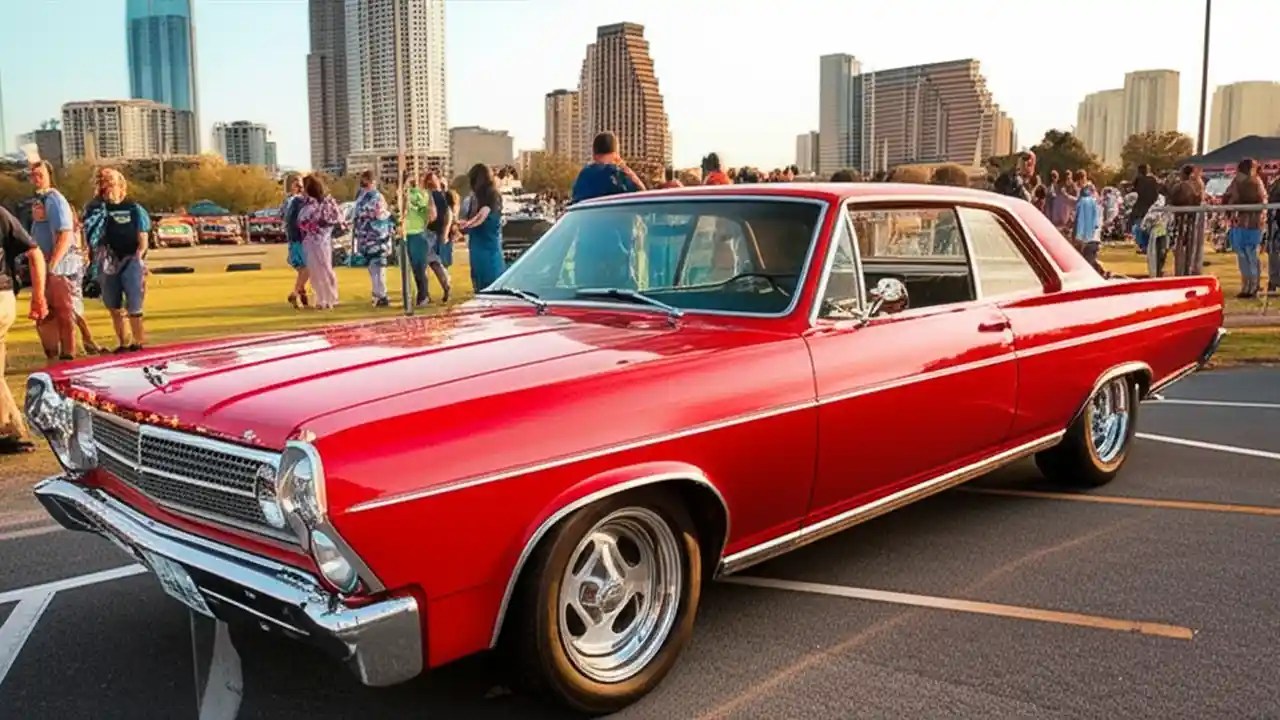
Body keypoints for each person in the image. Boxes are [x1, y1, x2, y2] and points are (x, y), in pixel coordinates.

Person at [0, 204, 48, 454]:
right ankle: (7, 431)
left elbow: (34, 252)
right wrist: (38, 296)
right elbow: (34, 252)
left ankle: (13, 431)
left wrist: (39, 296)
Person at [91, 169, 151, 351]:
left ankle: (138, 342)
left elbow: (143, 239)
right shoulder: (98, 211)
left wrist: (139, 259)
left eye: (112, 183)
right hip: (109, 261)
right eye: (104, 184)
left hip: (131, 259)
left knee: (134, 303)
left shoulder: (135, 209)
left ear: (121, 186)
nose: (108, 188)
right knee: (113, 304)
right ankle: (123, 343)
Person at [28, 160, 81, 362]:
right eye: (33, 175)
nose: (35, 178)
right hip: (43, 265)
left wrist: (52, 266)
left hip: (58, 267)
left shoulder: (55, 199)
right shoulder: (41, 201)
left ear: (50, 174)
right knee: (44, 312)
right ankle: (52, 354)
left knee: (63, 310)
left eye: (40, 174)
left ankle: (68, 355)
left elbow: (65, 234)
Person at [457, 164, 506, 291]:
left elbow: (481, 216)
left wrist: (467, 224)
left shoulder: (490, 198)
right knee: (486, 284)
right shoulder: (479, 199)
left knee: (487, 285)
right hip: (483, 249)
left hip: (485, 250)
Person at [1223, 158, 1268, 298]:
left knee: (1247, 255)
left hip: (1248, 223)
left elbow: (1231, 197)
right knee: (1247, 255)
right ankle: (1250, 285)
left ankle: (1251, 285)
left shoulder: (1246, 182)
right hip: (1245, 223)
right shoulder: (1249, 182)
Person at [296, 175, 342, 309]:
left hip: (321, 240)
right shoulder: (307, 203)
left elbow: (335, 219)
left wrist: (317, 225)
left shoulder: (326, 203)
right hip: (311, 240)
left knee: (325, 269)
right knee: (315, 271)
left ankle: (331, 298)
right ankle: (322, 299)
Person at [352, 170, 393, 307]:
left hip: (377, 236)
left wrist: (363, 214)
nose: (365, 184)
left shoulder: (377, 197)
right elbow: (357, 212)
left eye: (367, 181)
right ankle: (377, 293)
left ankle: (382, 294)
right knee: (372, 267)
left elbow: (375, 212)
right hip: (366, 236)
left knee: (379, 266)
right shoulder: (361, 197)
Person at [570, 132, 646, 203]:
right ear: (616, 154)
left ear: (594, 154)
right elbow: (642, 195)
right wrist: (624, 167)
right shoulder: (617, 174)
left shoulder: (584, 175)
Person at [422, 171, 453, 303]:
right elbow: (448, 214)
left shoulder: (428, 196)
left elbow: (430, 216)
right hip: (438, 232)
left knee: (428, 263)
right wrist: (445, 231)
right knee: (435, 262)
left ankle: (425, 293)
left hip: (430, 232)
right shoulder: (441, 196)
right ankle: (445, 284)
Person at [280, 174, 309, 308]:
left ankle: (302, 292)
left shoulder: (288, 202)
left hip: (292, 238)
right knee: (306, 268)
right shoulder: (297, 201)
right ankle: (296, 292)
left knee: (301, 269)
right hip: (298, 238)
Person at [1073, 178, 1104, 274]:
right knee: (1090, 262)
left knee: (1086, 267)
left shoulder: (1084, 203)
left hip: (1087, 240)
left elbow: (1081, 221)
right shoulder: (1097, 204)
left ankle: (1102, 274)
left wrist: (1078, 237)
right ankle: (1103, 273)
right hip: (1095, 239)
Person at [1129, 164, 1161, 253]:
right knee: (1147, 226)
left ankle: (1144, 246)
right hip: (1150, 206)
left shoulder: (1139, 180)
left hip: (1142, 206)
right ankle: (1147, 246)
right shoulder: (1153, 180)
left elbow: (1134, 191)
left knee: (1140, 226)